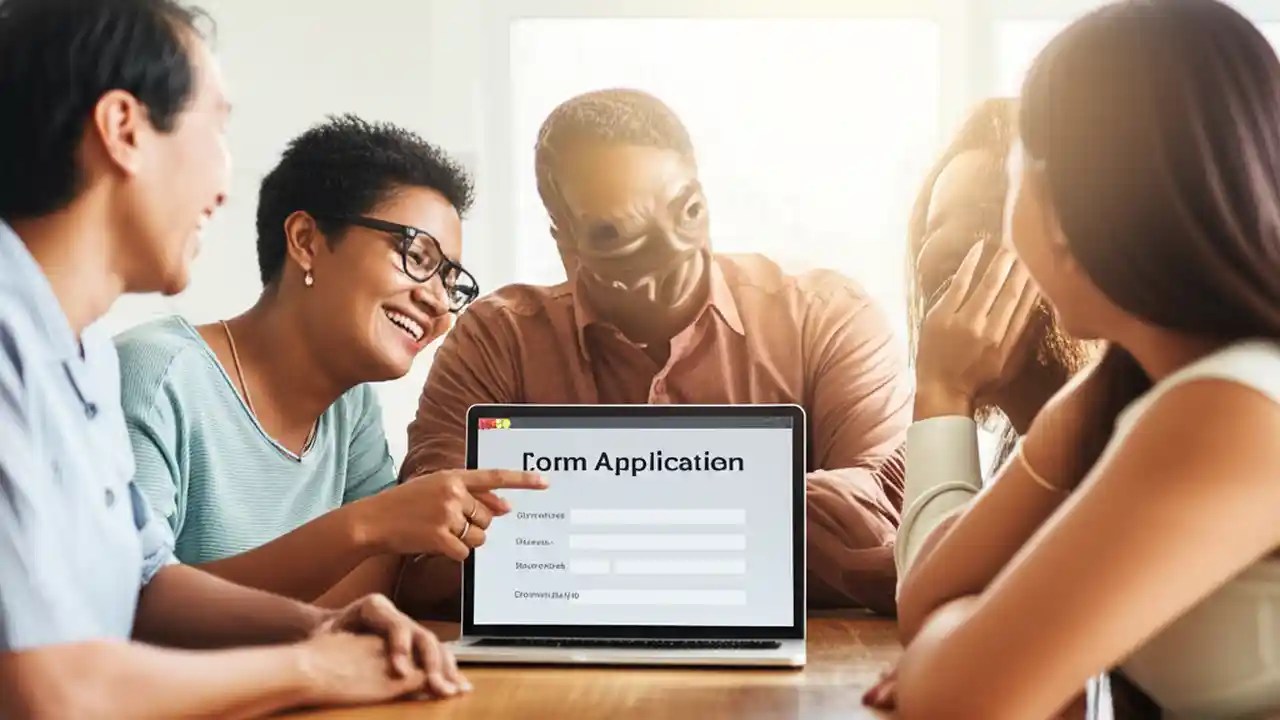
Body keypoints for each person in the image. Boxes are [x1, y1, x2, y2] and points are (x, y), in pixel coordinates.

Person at [0, 1, 466, 715]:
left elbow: (145, 583)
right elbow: (46, 692)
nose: (224, 186)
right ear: (124, 129)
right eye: (216, 128)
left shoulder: (81, 352)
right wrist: (311, 668)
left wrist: (318, 628)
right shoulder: (34, 349)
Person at [890, 1, 1280, 718]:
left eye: (1008, 189)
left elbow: (961, 697)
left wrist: (972, 638)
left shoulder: (1231, 407)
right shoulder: (1121, 390)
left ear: (1063, 213)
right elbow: (927, 601)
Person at [398, 88, 914, 617]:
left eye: (686, 210)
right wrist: (742, 520)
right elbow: (424, 548)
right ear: (565, 242)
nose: (673, 252)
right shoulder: (500, 339)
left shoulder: (824, 318)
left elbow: (884, 519)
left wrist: (578, 527)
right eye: (613, 233)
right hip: (564, 651)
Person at [116, 115, 547, 608]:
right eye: (416, 256)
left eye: (451, 284)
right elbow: (130, 605)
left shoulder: (352, 410)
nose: (437, 303)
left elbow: (351, 609)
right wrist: (369, 524)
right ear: (306, 240)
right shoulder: (155, 376)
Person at [893, 98, 1097, 575]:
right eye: (933, 227)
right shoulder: (1025, 449)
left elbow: (937, 589)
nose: (935, 252)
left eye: (985, 216)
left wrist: (943, 391)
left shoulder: (1111, 432)